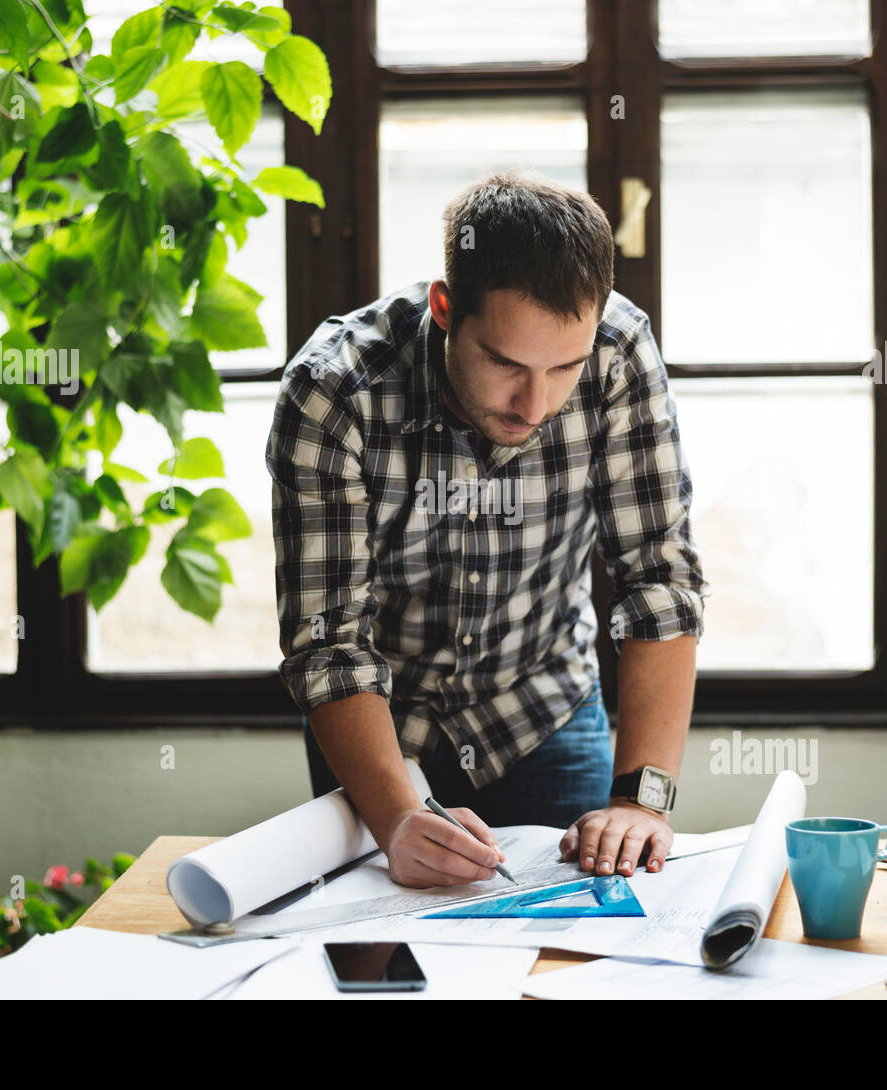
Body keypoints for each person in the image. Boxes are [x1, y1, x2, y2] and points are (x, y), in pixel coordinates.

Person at [267, 168, 708, 889]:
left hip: (543, 713)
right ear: (445, 308)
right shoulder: (332, 392)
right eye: (505, 363)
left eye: (563, 368)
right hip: (381, 730)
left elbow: (659, 581)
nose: (535, 402)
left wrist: (642, 801)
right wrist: (396, 815)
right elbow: (330, 648)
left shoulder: (619, 352)